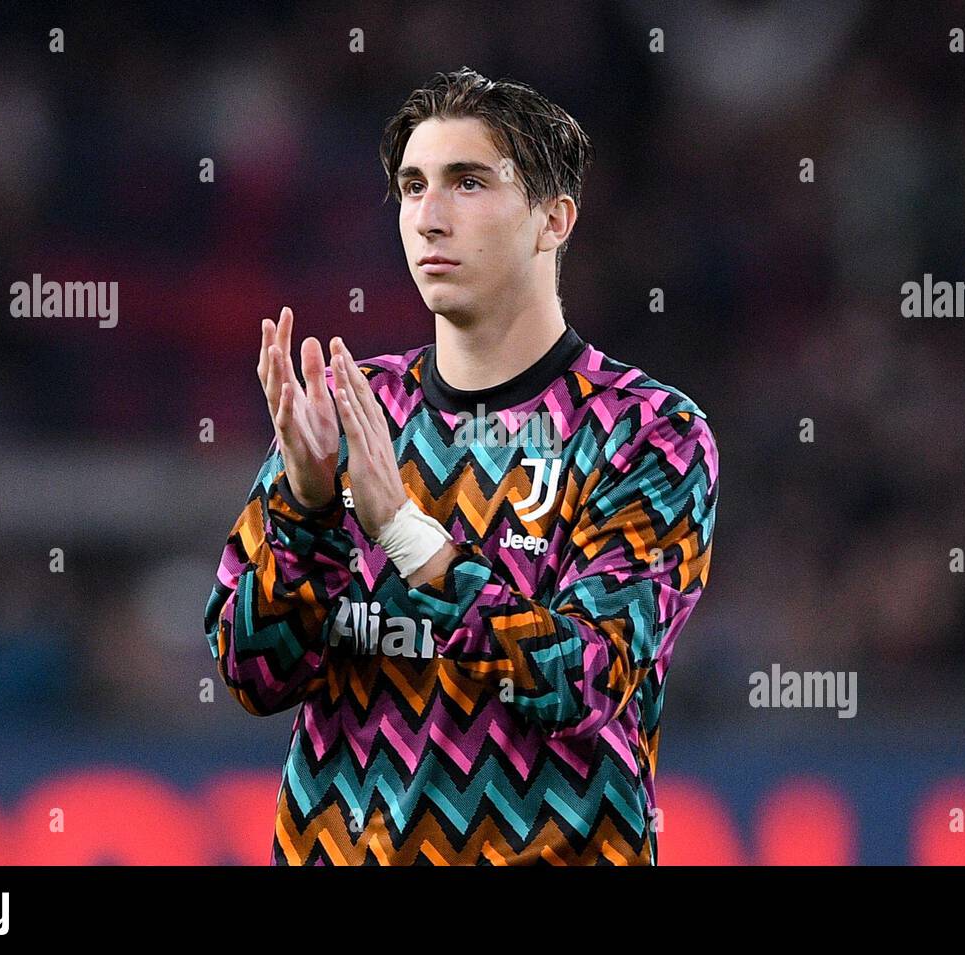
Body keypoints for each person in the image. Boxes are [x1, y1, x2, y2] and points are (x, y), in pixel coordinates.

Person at [204, 66, 719, 865]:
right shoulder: (350, 410)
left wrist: (410, 539)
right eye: (412, 187)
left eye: (468, 182)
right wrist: (305, 511)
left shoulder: (646, 431)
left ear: (554, 219)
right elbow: (251, 674)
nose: (429, 217)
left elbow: (584, 681)